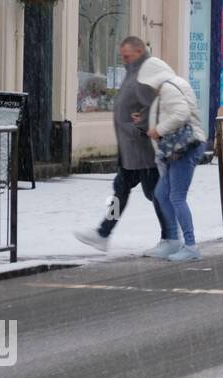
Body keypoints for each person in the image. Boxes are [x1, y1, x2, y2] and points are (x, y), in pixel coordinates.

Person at [73, 36, 172, 254]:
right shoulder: (132, 72)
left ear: (139, 51)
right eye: (122, 56)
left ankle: (171, 236)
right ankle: (103, 233)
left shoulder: (144, 75)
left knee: (155, 194)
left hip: (143, 151)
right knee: (121, 191)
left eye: (127, 55)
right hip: (129, 150)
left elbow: (157, 105)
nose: (123, 59)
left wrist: (141, 125)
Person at [138, 55, 208, 262]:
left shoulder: (168, 88)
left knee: (176, 196)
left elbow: (180, 114)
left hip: (185, 147)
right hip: (183, 147)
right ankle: (172, 241)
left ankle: (190, 245)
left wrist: (157, 130)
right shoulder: (176, 83)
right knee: (161, 193)